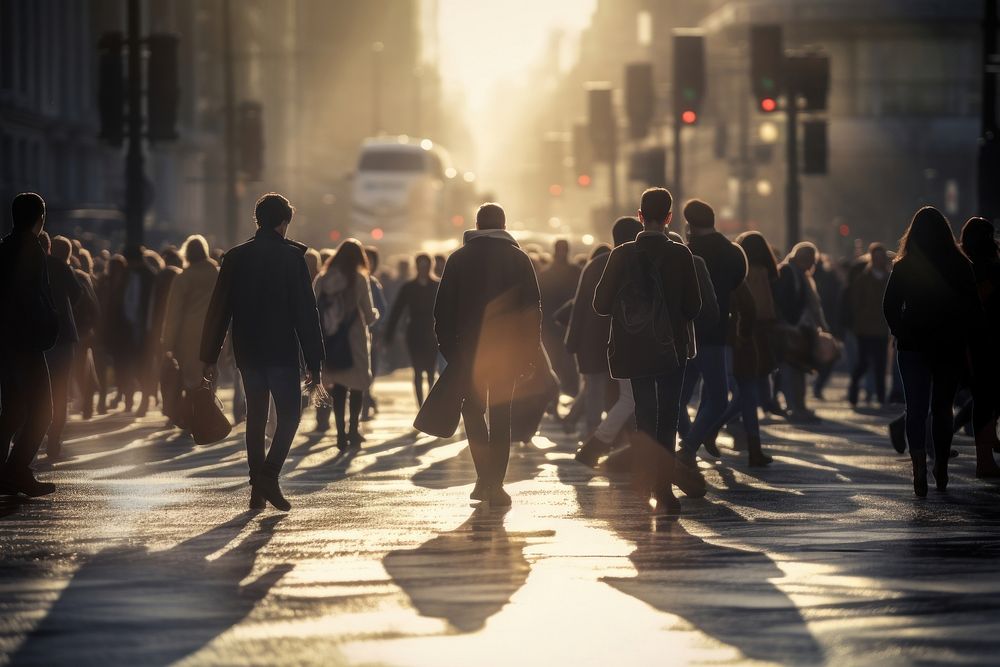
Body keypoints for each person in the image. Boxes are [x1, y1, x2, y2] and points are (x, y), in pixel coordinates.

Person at [201, 193, 324, 512]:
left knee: (256, 417)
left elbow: (219, 310)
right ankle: (269, 475)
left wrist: (209, 356)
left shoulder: (235, 257)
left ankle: (258, 488)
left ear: (259, 220)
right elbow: (305, 312)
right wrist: (315, 361)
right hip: (281, 349)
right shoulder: (292, 259)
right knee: (290, 415)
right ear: (284, 223)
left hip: (248, 349)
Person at [594, 188, 703, 516]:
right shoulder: (681, 255)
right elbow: (694, 306)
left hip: (633, 346)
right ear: (669, 217)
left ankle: (643, 480)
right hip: (672, 347)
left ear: (640, 216)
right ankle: (664, 490)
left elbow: (600, 304)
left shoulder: (621, 255)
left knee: (644, 413)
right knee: (668, 414)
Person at [433, 203, 542, 507]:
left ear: (477, 225)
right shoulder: (519, 259)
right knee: (502, 415)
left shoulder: (458, 258)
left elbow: (442, 311)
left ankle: (485, 478)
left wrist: (450, 351)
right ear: (503, 225)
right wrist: (529, 352)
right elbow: (533, 309)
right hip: (507, 353)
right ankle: (495, 482)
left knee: (472, 410)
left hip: (468, 352)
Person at [883, 206, 981, 497]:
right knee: (942, 409)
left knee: (916, 409)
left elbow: (889, 306)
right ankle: (941, 466)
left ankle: (918, 468)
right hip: (948, 345)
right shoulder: (961, 265)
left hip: (912, 345)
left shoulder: (905, 266)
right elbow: (973, 308)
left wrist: (902, 331)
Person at [677, 199, 747, 464]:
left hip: (686, 331)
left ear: (689, 224)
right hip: (715, 332)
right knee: (717, 397)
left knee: (680, 396)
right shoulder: (732, 252)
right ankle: (688, 447)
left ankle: (686, 441)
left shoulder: (684, 252)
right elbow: (738, 282)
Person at [570, 217, 643, 465]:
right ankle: (611, 444)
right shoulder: (634, 262)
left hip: (593, 343)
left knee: (597, 394)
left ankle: (598, 439)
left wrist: (572, 340)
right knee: (628, 397)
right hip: (624, 342)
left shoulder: (595, 265)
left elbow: (579, 304)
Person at [0, 193, 58, 496]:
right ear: (40, 218)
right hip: (27, 342)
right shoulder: (32, 249)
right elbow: (34, 296)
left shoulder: (4, 246)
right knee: (42, 410)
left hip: (7, 342)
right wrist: (50, 322)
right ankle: (16, 469)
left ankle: (8, 471)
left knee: (13, 409)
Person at [314, 239, 379, 447]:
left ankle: (340, 433)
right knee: (357, 385)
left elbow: (314, 307)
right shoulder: (359, 279)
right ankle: (353, 429)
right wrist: (374, 315)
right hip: (354, 339)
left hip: (331, 338)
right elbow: (368, 315)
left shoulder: (323, 278)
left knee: (339, 386)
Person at [959, 216, 1000, 478]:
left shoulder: (962, 265)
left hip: (970, 342)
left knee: (984, 399)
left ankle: (985, 454)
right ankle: (984, 459)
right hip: (988, 342)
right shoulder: (991, 269)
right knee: (987, 400)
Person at [162, 235, 219, 410]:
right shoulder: (218, 274)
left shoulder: (183, 278)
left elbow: (174, 313)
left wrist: (168, 343)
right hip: (214, 332)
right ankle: (208, 411)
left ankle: (195, 416)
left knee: (192, 378)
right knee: (211, 374)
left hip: (189, 335)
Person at [40, 235, 83, 461]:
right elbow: (77, 293)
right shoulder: (60, 266)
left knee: (37, 388)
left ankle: (29, 435)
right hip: (64, 335)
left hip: (37, 337)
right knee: (60, 390)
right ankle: (54, 440)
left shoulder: (28, 266)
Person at [773, 242, 825, 422]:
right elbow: (783, 300)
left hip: (797, 328)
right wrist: (789, 323)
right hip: (790, 328)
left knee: (798, 369)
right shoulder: (788, 272)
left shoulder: (798, 273)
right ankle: (794, 406)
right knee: (790, 369)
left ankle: (797, 405)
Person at [386, 253, 440, 407]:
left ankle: (430, 403)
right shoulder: (408, 288)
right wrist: (389, 335)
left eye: (426, 265)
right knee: (417, 370)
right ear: (416, 267)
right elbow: (397, 310)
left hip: (433, 333)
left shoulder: (437, 286)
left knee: (430, 371)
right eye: (420, 265)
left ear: (430, 266)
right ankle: (421, 405)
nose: (423, 268)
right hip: (414, 333)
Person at [846, 243, 891, 407]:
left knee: (880, 364)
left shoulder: (889, 277)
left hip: (881, 327)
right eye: (876, 257)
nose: (878, 260)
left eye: (881, 257)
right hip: (864, 328)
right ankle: (853, 393)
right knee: (863, 363)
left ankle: (880, 397)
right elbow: (855, 302)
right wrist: (861, 316)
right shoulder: (863, 278)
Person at [539, 239, 582, 398]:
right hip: (568, 324)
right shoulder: (576, 272)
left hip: (553, 326)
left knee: (557, 364)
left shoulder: (545, 274)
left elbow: (540, 301)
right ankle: (566, 397)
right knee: (567, 364)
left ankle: (554, 399)